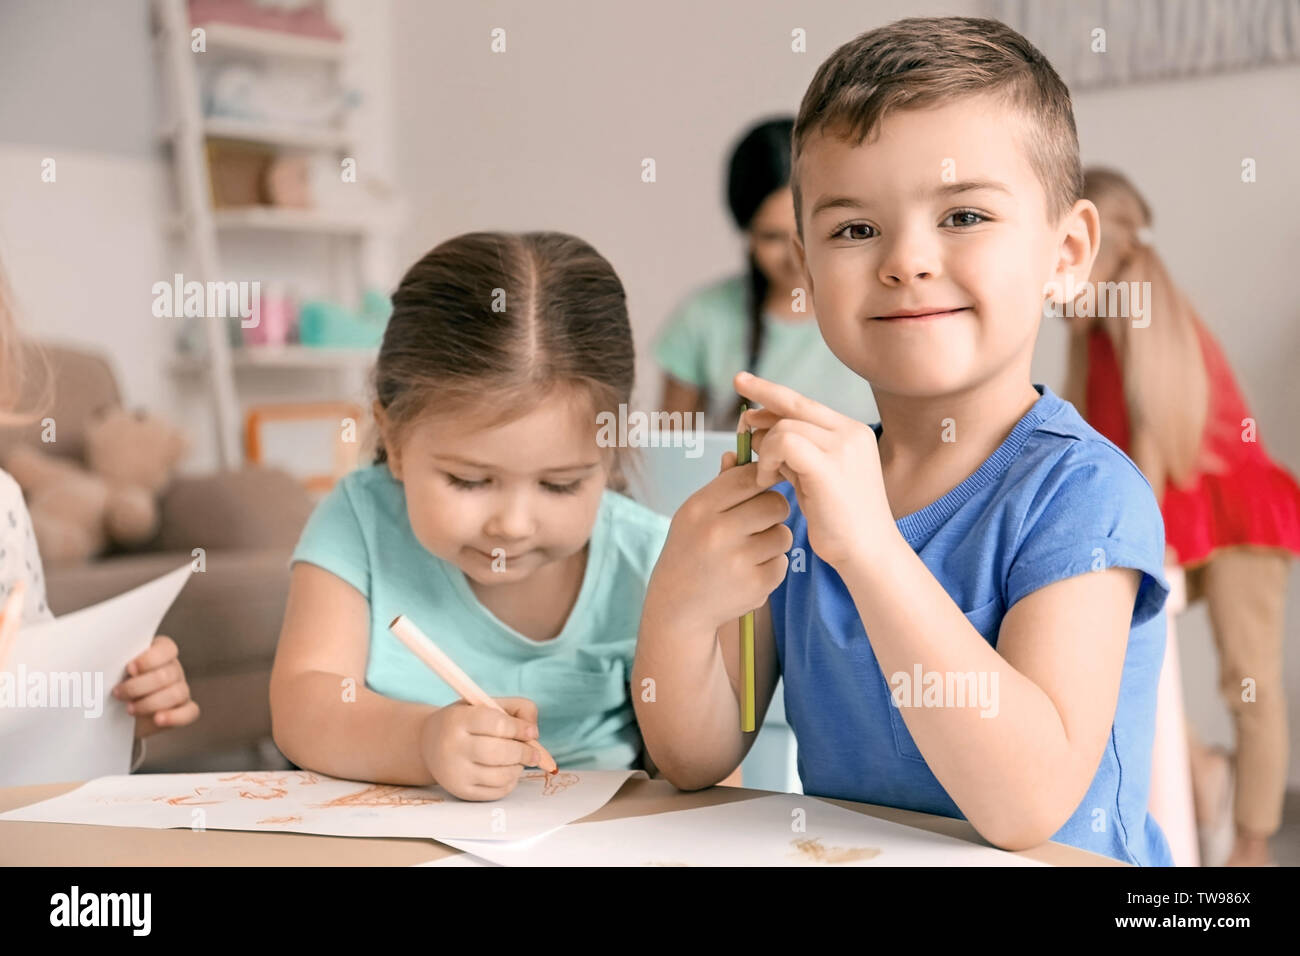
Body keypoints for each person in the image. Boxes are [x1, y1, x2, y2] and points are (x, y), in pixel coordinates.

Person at [635, 16, 1175, 865]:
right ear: (808, 275)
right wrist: (679, 596)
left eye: (962, 214)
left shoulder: (1083, 494)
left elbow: (1024, 807)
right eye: (854, 230)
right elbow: (695, 757)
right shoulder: (800, 493)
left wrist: (873, 551)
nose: (906, 261)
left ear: (1066, 253)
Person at [271, 232, 670, 800]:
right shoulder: (357, 522)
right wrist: (423, 743)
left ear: (609, 454)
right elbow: (303, 704)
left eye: (561, 484)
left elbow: (699, 766)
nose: (512, 524)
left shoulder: (650, 561)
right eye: (469, 480)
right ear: (396, 439)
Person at [1062, 167, 1300, 866]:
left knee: (1248, 678)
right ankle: (1202, 772)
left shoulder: (1143, 314)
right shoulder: (1094, 334)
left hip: (1235, 515)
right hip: (1178, 514)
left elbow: (1159, 439)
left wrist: (1142, 538)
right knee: (1113, 655)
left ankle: (1254, 843)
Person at [655, 118, 879, 428]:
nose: (794, 257)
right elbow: (673, 450)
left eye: (803, 233)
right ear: (746, 233)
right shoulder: (703, 317)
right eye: (772, 237)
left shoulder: (884, 306)